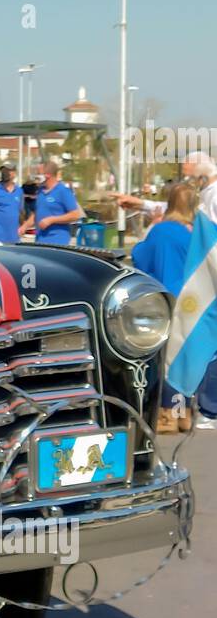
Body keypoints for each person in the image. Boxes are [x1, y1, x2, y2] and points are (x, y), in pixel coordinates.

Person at [130, 182, 198, 433]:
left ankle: (167, 416)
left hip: (165, 300)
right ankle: (183, 413)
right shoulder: (194, 234)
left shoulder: (160, 231)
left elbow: (140, 257)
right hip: (192, 302)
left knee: (163, 361)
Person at [18, 157, 83, 245]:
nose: (35, 177)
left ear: (47, 175)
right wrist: (24, 226)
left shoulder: (63, 191)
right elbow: (37, 213)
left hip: (57, 241)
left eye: (38, 174)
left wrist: (51, 220)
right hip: (40, 240)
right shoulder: (40, 191)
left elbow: (75, 215)